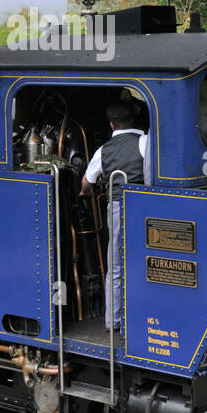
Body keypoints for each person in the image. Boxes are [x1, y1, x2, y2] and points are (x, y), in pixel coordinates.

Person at [80, 100, 151, 331]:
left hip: (118, 207)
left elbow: (87, 181)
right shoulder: (145, 141)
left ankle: (113, 321)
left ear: (111, 125)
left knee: (116, 266)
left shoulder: (103, 150)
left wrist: (83, 192)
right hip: (143, 207)